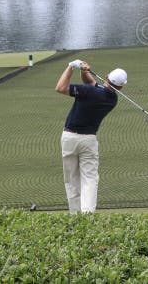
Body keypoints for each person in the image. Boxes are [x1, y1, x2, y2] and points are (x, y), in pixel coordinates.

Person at [55, 59, 127, 214]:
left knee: (72, 179)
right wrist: (84, 71)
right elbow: (92, 84)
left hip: (69, 138)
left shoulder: (89, 92)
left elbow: (60, 88)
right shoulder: (112, 99)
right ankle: (88, 215)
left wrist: (70, 67)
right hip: (89, 140)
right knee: (89, 179)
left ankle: (76, 215)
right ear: (121, 87)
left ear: (106, 76)